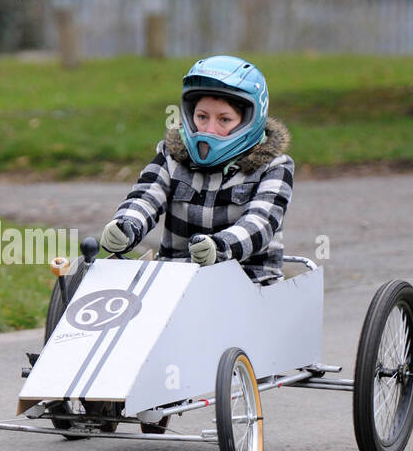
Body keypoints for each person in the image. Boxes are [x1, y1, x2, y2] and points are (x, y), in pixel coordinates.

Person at [99, 54, 293, 285]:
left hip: (251, 282)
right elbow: (146, 196)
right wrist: (127, 225)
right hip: (177, 280)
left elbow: (260, 222)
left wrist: (220, 247)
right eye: (202, 117)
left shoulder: (274, 167)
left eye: (224, 120)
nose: (209, 129)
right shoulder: (171, 156)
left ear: (249, 121)